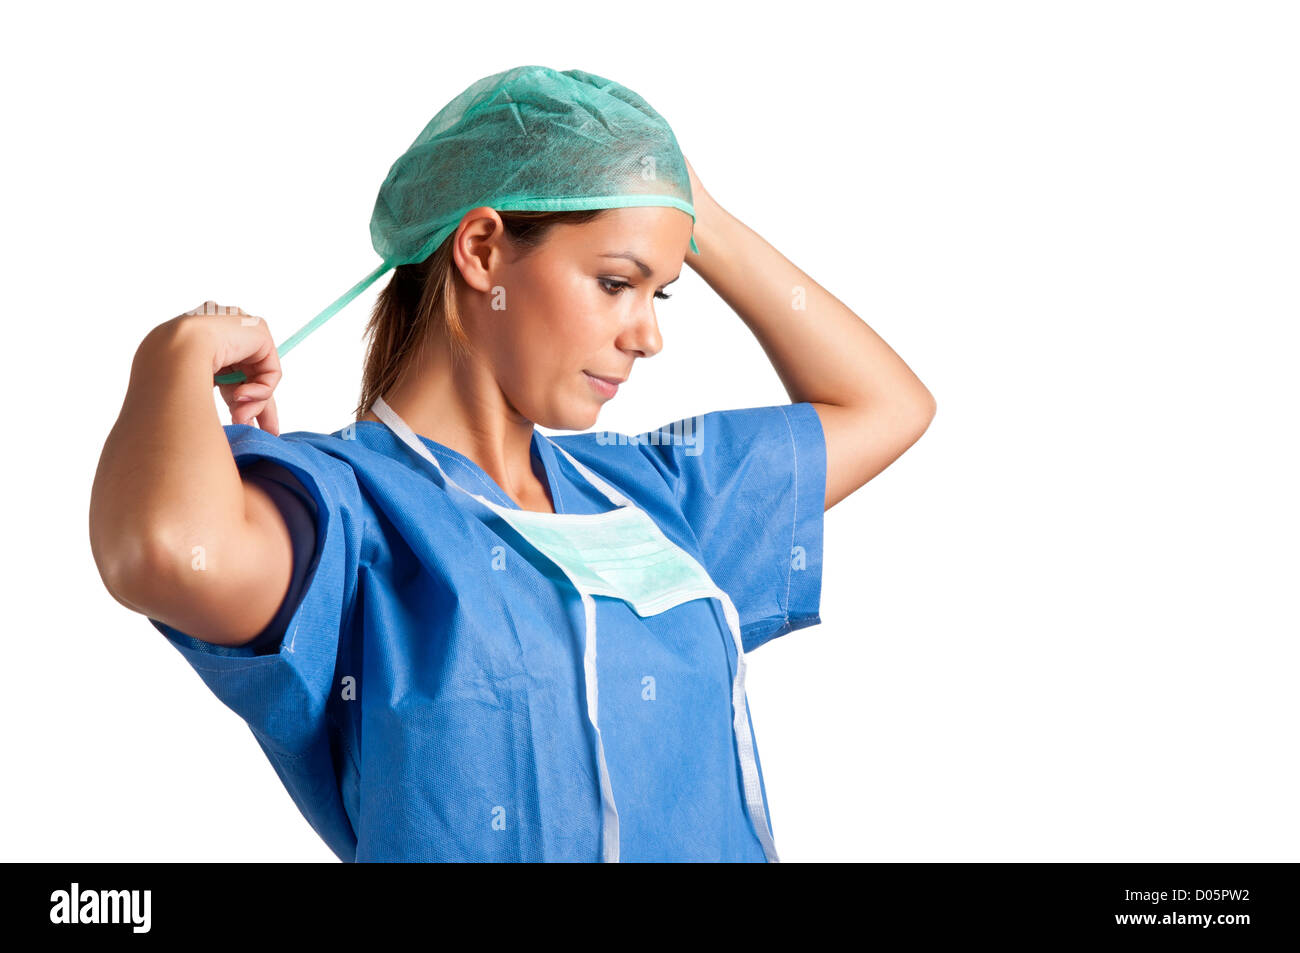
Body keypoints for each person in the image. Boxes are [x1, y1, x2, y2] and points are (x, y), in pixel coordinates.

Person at [89, 66, 936, 862]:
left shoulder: (650, 492)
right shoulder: (347, 517)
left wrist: (687, 205)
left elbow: (888, 406)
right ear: (483, 249)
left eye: (660, 291)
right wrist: (177, 349)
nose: (648, 336)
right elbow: (161, 549)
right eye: (615, 282)